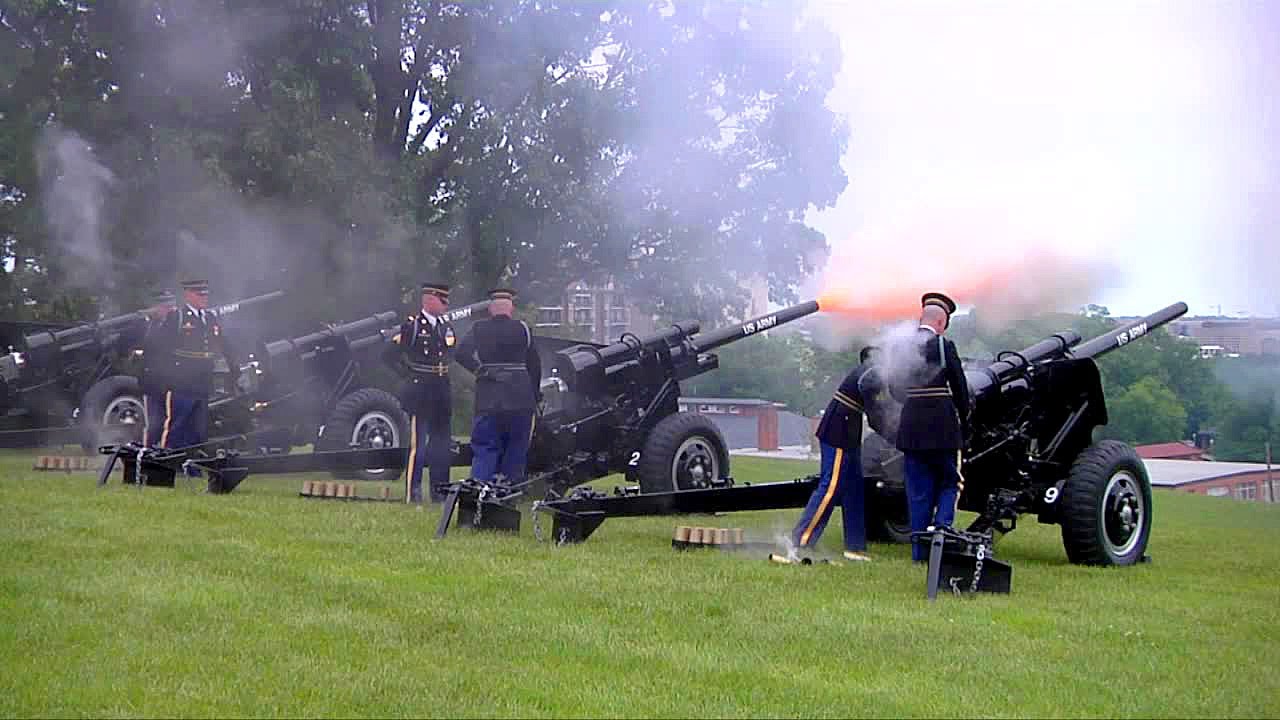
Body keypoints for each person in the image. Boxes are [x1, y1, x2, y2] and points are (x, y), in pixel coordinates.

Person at [890, 292, 970, 562]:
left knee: (917, 493)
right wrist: (965, 419)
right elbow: (960, 388)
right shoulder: (944, 346)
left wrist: (912, 401)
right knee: (951, 482)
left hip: (911, 429)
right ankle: (942, 529)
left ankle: (918, 554)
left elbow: (893, 388)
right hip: (942, 429)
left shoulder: (902, 348)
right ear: (941, 322)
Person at [791, 345, 891, 562]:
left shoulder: (868, 373)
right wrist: (894, 436)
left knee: (854, 489)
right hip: (839, 430)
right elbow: (875, 414)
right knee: (831, 487)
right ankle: (801, 539)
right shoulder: (869, 374)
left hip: (849, 430)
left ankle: (855, 546)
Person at [455, 288, 542, 488]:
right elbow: (535, 366)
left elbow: (461, 354)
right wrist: (535, 395)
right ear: (510, 308)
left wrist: (479, 370)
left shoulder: (478, 328)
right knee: (516, 448)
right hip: (520, 399)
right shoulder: (523, 329)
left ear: (491, 309)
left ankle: (478, 489)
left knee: (485, 447)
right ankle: (508, 491)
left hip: (488, 397)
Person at [142, 279, 239, 451]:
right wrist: (165, 374)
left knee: (198, 429)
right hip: (182, 381)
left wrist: (234, 366)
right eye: (199, 294)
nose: (204, 298)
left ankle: (192, 463)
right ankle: (171, 462)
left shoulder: (209, 318)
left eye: (205, 294)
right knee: (177, 425)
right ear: (188, 295)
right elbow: (160, 346)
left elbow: (223, 343)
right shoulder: (176, 317)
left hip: (203, 381)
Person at [389, 282, 457, 504]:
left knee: (441, 444)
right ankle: (413, 492)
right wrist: (408, 375)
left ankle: (439, 491)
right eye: (442, 300)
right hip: (421, 389)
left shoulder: (445, 325)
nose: (446, 305)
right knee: (419, 445)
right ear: (429, 300)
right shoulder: (413, 326)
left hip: (441, 388)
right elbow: (388, 355)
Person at [136, 289, 176, 448]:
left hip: (171, 381)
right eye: (165, 306)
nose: (168, 309)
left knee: (171, 422)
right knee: (154, 423)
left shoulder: (176, 325)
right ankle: (149, 451)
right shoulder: (147, 325)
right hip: (152, 382)